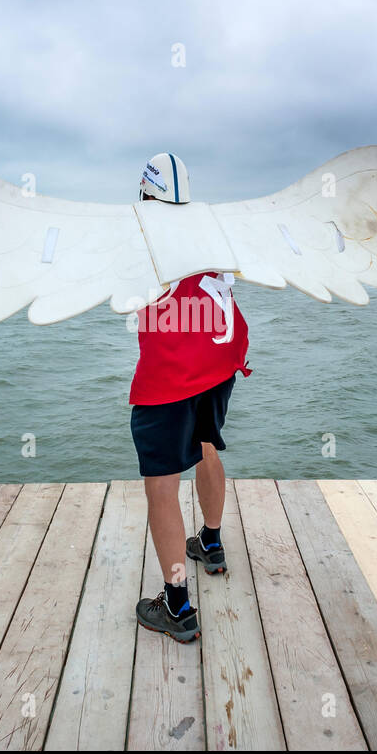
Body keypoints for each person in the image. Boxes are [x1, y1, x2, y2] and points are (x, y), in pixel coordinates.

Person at [130, 153, 251, 643]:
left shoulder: (140, 233)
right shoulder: (212, 229)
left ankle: (177, 607)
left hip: (173, 373)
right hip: (221, 361)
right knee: (205, 444)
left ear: (145, 193)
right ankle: (212, 545)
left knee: (162, 484)